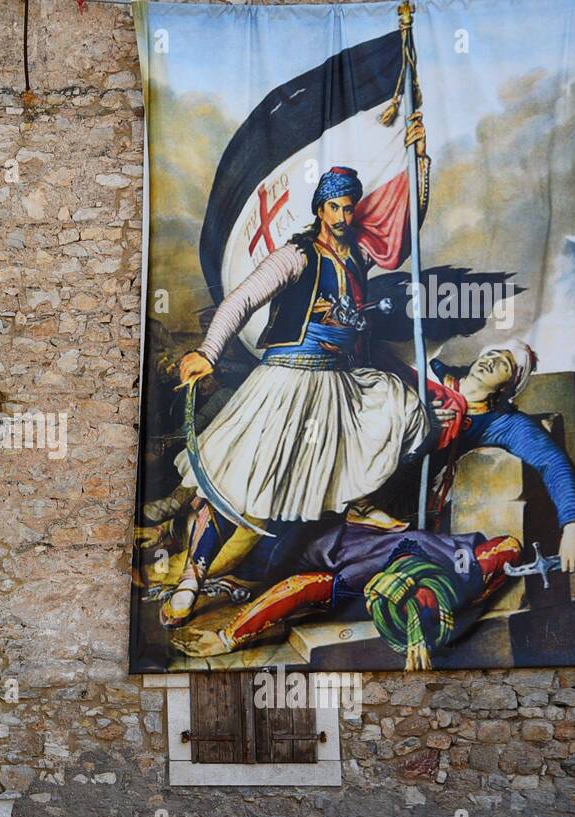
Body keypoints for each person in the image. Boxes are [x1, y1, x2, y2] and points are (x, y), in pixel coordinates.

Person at [162, 120, 431, 626]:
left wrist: (417, 162)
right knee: (232, 485)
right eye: (336, 206)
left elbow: (407, 227)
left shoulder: (357, 260)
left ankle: (360, 501)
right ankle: (191, 579)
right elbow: (240, 300)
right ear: (320, 209)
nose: (344, 215)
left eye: (350, 206)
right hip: (284, 382)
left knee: (405, 412)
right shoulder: (296, 254)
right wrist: (208, 353)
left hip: (335, 382)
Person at [424, 339, 575, 572]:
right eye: (491, 354)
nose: (491, 362)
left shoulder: (502, 423)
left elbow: (553, 464)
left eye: (504, 364)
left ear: (507, 386)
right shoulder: (428, 373)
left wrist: (573, 527)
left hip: (418, 506)